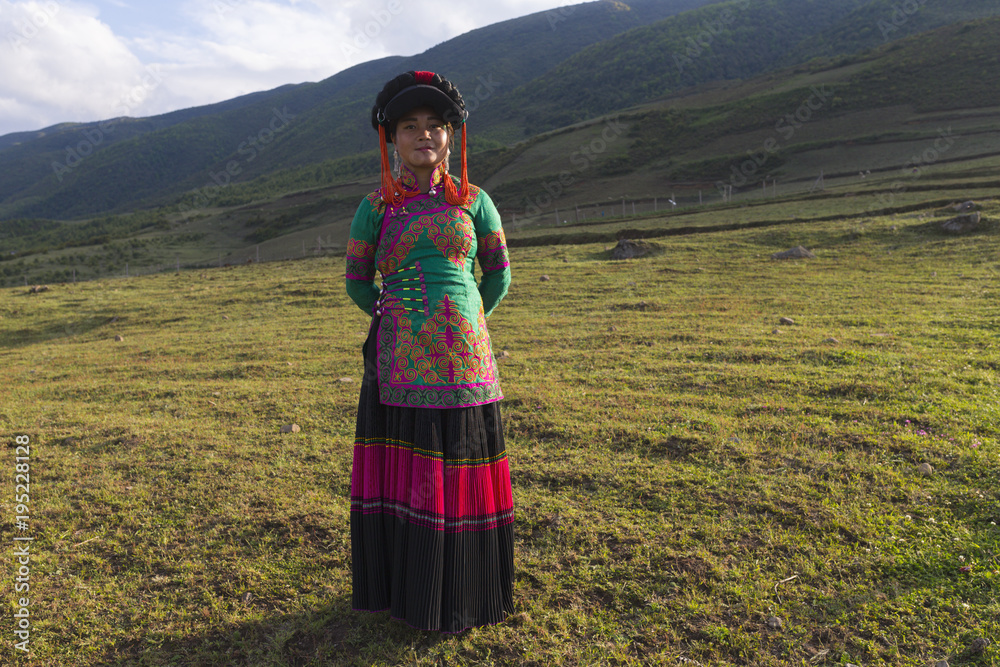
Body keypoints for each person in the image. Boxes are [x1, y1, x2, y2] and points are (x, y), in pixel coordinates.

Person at [344, 70, 513, 633]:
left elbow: (498, 276)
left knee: (460, 470)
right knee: (409, 473)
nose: (424, 136)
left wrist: (465, 320)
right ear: (391, 139)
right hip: (397, 361)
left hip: (466, 361)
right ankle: (409, 595)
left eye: (435, 127)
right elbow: (357, 281)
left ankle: (467, 595)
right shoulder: (375, 208)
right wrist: (393, 317)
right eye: (410, 126)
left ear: (451, 137)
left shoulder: (476, 201)